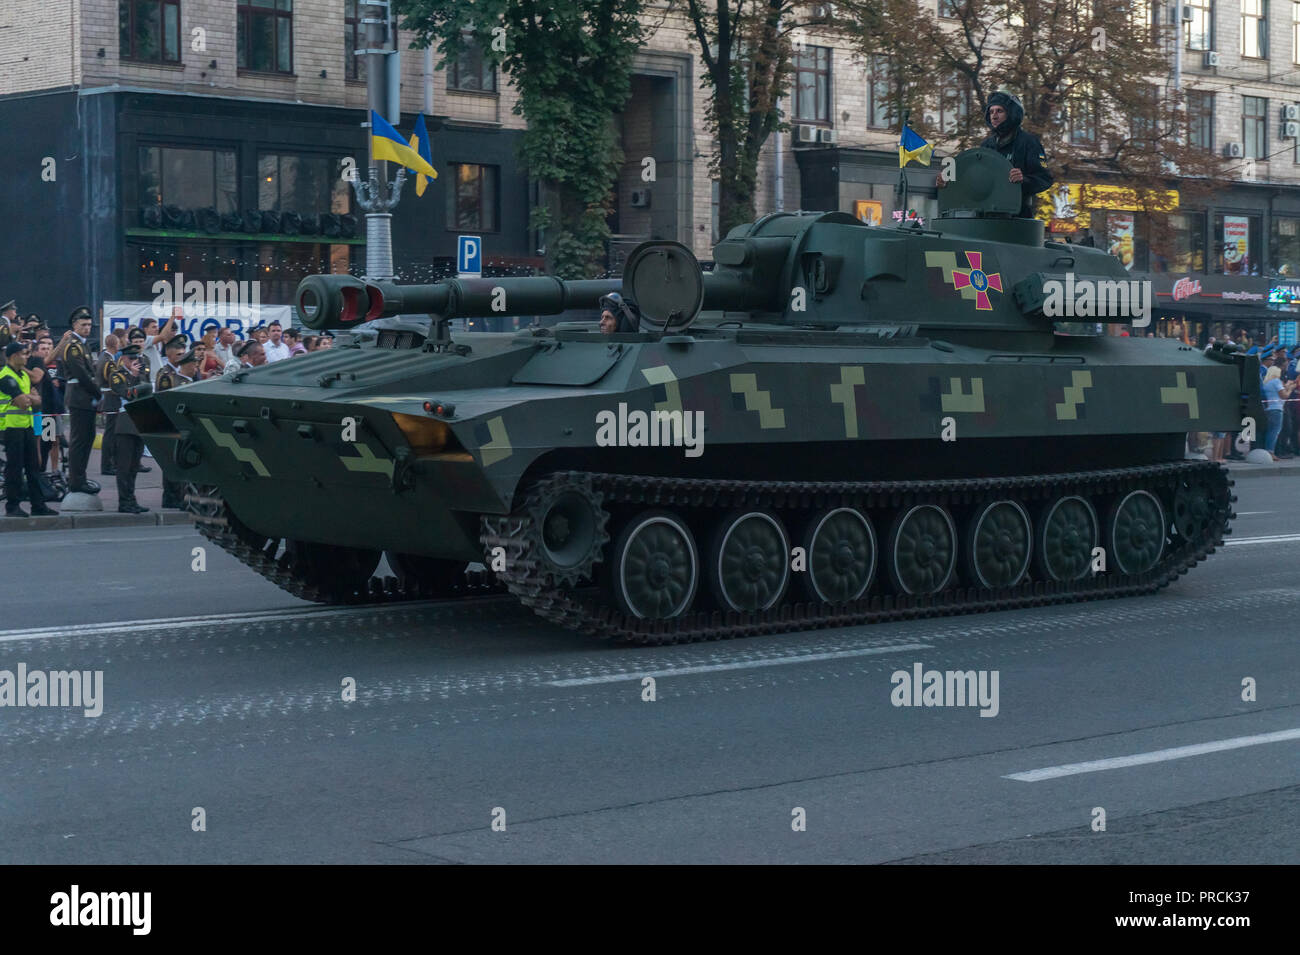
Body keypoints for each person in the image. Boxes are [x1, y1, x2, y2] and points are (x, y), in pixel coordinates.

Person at [936, 91, 1053, 218]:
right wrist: (948, 183)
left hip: (1017, 219)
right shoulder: (987, 145)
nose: (994, 116)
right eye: (991, 112)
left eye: (999, 111)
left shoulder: (1028, 143)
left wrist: (1023, 180)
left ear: (1012, 113)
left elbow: (1044, 179)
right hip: (985, 218)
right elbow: (975, 181)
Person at [1, 341, 58, 516]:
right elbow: (23, 402)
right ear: (12, 356)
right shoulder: (5, 376)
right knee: (15, 468)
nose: (27, 356)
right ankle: (13, 506)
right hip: (11, 427)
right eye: (23, 353)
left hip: (26, 426)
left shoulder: (24, 376)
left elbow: (37, 400)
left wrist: (30, 398)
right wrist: (30, 398)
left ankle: (38, 505)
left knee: (34, 467)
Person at [60, 307, 101, 494]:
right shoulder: (73, 345)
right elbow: (81, 374)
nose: (87, 328)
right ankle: (76, 480)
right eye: (83, 324)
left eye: (89, 325)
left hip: (85, 397)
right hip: (79, 396)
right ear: (74, 325)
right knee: (79, 440)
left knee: (87, 438)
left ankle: (80, 477)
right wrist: (98, 392)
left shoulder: (83, 344)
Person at [107, 344, 150, 513]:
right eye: (131, 358)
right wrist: (132, 377)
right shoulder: (117, 375)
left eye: (136, 358)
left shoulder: (142, 373)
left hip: (139, 420)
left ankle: (131, 499)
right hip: (124, 423)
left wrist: (137, 379)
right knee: (124, 466)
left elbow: (147, 389)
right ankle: (124, 501)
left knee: (133, 466)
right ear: (123, 359)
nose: (135, 362)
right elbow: (126, 394)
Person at [95, 333, 121, 476]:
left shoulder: (103, 357)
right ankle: (107, 465)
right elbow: (114, 382)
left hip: (107, 397)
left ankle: (109, 463)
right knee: (110, 434)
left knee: (110, 433)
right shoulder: (109, 362)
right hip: (110, 398)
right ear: (114, 345)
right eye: (118, 344)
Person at [1262, 365, 1286, 458]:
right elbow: (1284, 395)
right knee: (1275, 431)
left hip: (1269, 409)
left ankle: (1269, 451)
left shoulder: (1267, 383)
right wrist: (1290, 388)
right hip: (1277, 408)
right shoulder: (1276, 381)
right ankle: (1270, 452)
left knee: (1270, 431)